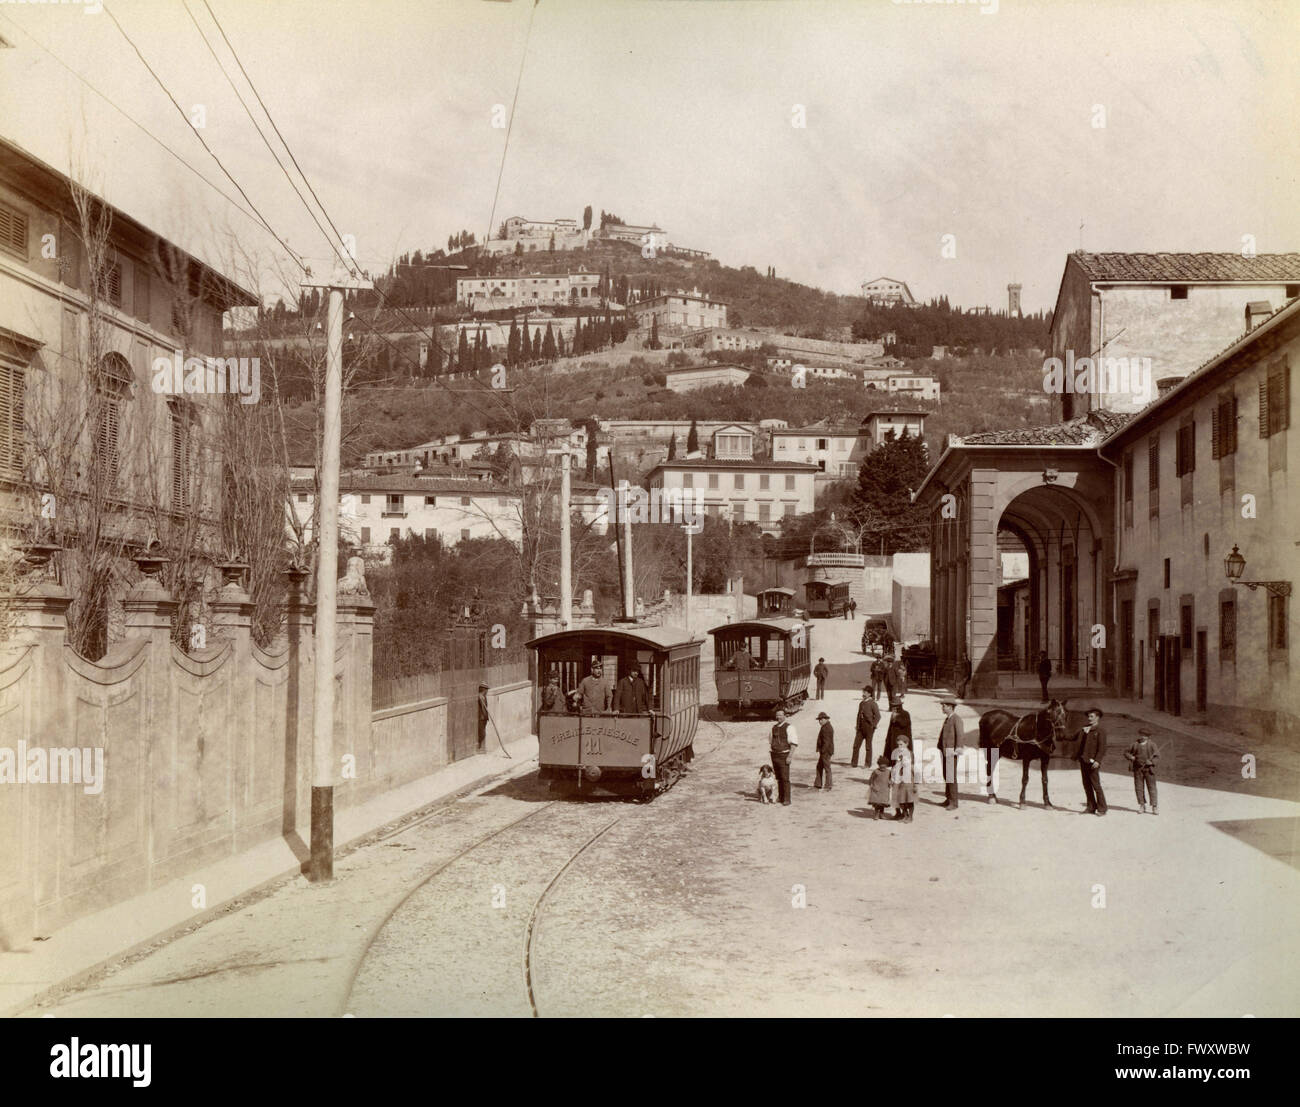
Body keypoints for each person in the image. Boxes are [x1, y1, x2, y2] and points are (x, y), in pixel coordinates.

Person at [1076, 707, 1108, 815]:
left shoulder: (1100, 731)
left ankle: (1102, 809)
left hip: (1093, 762)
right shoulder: (1084, 729)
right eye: (1088, 716)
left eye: (1091, 716)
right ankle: (1091, 807)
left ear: (1097, 718)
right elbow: (1071, 737)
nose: (1089, 719)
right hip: (1083, 760)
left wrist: (1098, 761)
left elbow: (1102, 748)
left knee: (1096, 785)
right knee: (1086, 785)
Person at [1125, 726, 1160, 814]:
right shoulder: (1135, 744)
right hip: (1138, 769)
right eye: (1141, 735)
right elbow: (1126, 752)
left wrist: (1151, 762)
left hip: (1149, 770)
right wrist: (1131, 757)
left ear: (1148, 737)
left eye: (1145, 735)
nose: (1142, 737)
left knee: (1152, 788)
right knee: (1139, 788)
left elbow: (1157, 756)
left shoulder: (1152, 745)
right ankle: (1142, 805)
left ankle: (1154, 806)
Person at [937, 696, 963, 810]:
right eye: (942, 705)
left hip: (951, 752)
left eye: (944, 706)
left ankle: (954, 802)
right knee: (946, 775)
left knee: (951, 776)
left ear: (951, 707)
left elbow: (960, 735)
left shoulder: (956, 719)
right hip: (945, 751)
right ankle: (948, 799)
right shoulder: (948, 718)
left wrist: (958, 748)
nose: (942, 707)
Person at [770, 708, 798, 806]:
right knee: (778, 777)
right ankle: (781, 797)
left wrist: (790, 756)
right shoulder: (773, 727)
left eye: (780, 715)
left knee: (785, 778)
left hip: (784, 755)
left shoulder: (789, 727)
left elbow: (794, 744)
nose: (778, 717)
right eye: (777, 715)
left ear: (785, 716)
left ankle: (787, 799)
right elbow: (770, 741)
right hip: (775, 754)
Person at [850, 686, 880, 768]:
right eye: (863, 692)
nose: (863, 694)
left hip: (869, 727)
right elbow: (858, 715)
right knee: (856, 745)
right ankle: (854, 763)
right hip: (860, 728)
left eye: (865, 692)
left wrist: (873, 725)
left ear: (869, 693)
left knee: (868, 746)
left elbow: (878, 716)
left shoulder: (873, 703)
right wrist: (857, 725)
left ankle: (867, 764)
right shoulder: (861, 703)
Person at [890, 734, 916, 821]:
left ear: (907, 744)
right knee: (899, 798)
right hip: (898, 777)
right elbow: (895, 765)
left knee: (908, 798)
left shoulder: (909, 753)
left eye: (901, 744)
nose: (899, 746)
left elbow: (910, 766)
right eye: (898, 745)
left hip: (907, 778)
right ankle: (903, 814)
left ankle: (910, 816)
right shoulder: (897, 753)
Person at [813, 711, 834, 792]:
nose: (820, 721)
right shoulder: (826, 726)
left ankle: (828, 786)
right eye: (819, 720)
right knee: (820, 767)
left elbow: (826, 742)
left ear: (826, 719)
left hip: (825, 752)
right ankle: (818, 784)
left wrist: (822, 752)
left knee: (826, 768)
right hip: (826, 751)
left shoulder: (826, 728)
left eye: (821, 719)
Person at [733, 642, 753, 710]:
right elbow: (732, 659)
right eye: (742, 647)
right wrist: (730, 661)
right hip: (739, 671)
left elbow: (752, 659)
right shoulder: (737, 653)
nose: (743, 648)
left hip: (746, 671)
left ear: (745, 647)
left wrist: (756, 663)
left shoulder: (747, 654)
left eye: (744, 647)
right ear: (740, 647)